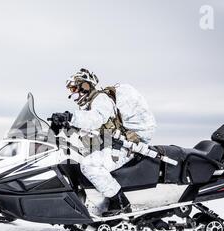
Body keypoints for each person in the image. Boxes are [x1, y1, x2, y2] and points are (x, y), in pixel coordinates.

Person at [50, 68, 157, 214]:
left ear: (85, 86)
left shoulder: (101, 99)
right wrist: (61, 127)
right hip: (113, 144)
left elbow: (96, 119)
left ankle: (120, 204)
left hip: (125, 147)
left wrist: (70, 117)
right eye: (71, 89)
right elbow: (89, 129)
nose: (72, 93)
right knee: (77, 159)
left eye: (74, 88)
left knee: (90, 165)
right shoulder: (90, 104)